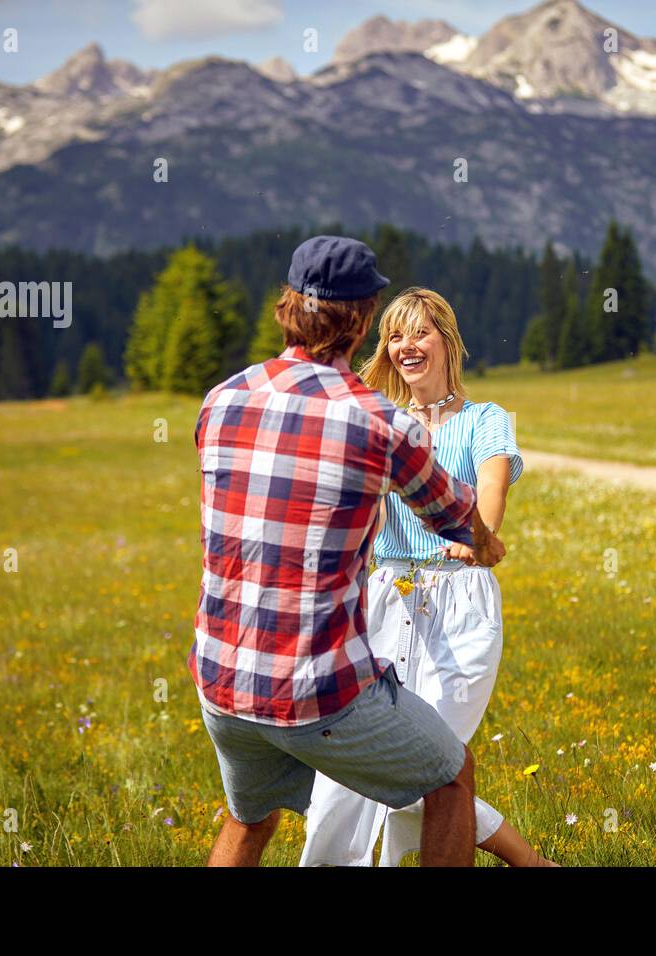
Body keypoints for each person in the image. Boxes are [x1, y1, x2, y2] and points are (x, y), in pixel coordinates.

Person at [190, 238, 506, 867]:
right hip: (315, 687)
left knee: (249, 818)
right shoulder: (381, 423)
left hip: (220, 680)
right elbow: (458, 518)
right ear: (365, 321)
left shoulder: (221, 400)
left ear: (286, 308)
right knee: (451, 776)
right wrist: (487, 544)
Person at [300, 288, 555, 867]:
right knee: (348, 772)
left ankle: (528, 861)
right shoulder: (379, 422)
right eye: (394, 336)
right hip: (382, 602)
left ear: (446, 338)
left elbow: (491, 490)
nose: (406, 346)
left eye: (419, 333)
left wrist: (479, 537)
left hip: (460, 603)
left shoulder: (486, 420)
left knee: (431, 765)